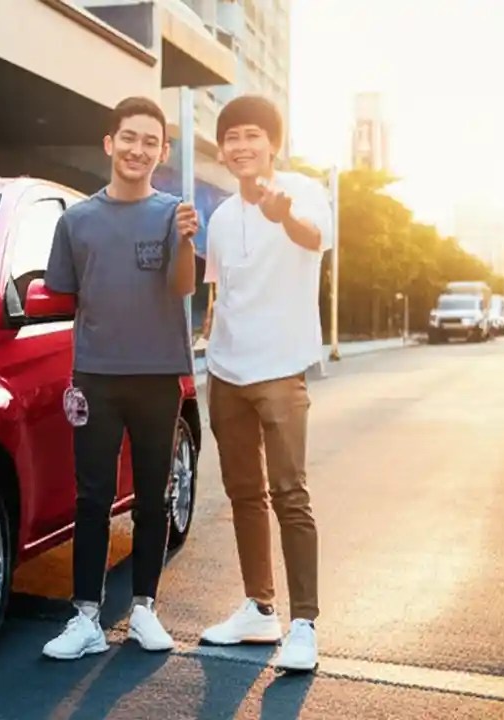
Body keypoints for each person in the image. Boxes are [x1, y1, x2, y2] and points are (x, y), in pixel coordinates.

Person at [40, 96, 200, 659]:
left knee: (153, 497)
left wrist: (186, 239)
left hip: (158, 375)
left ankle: (144, 610)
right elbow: (59, 296)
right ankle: (84, 616)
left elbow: (183, 287)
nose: (138, 149)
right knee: (92, 497)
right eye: (128, 138)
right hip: (96, 377)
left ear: (162, 151)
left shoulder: (174, 212)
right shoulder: (75, 221)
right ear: (110, 144)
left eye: (150, 141)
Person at [198, 94, 333, 673]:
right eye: (232, 137)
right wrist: (204, 351)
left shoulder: (302, 192)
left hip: (280, 369)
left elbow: (312, 240)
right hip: (225, 372)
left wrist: (284, 217)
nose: (242, 145)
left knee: (290, 494)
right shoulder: (223, 217)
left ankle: (304, 623)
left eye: (253, 135)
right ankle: (259, 608)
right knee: (243, 496)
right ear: (222, 149)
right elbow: (217, 293)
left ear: (271, 142)